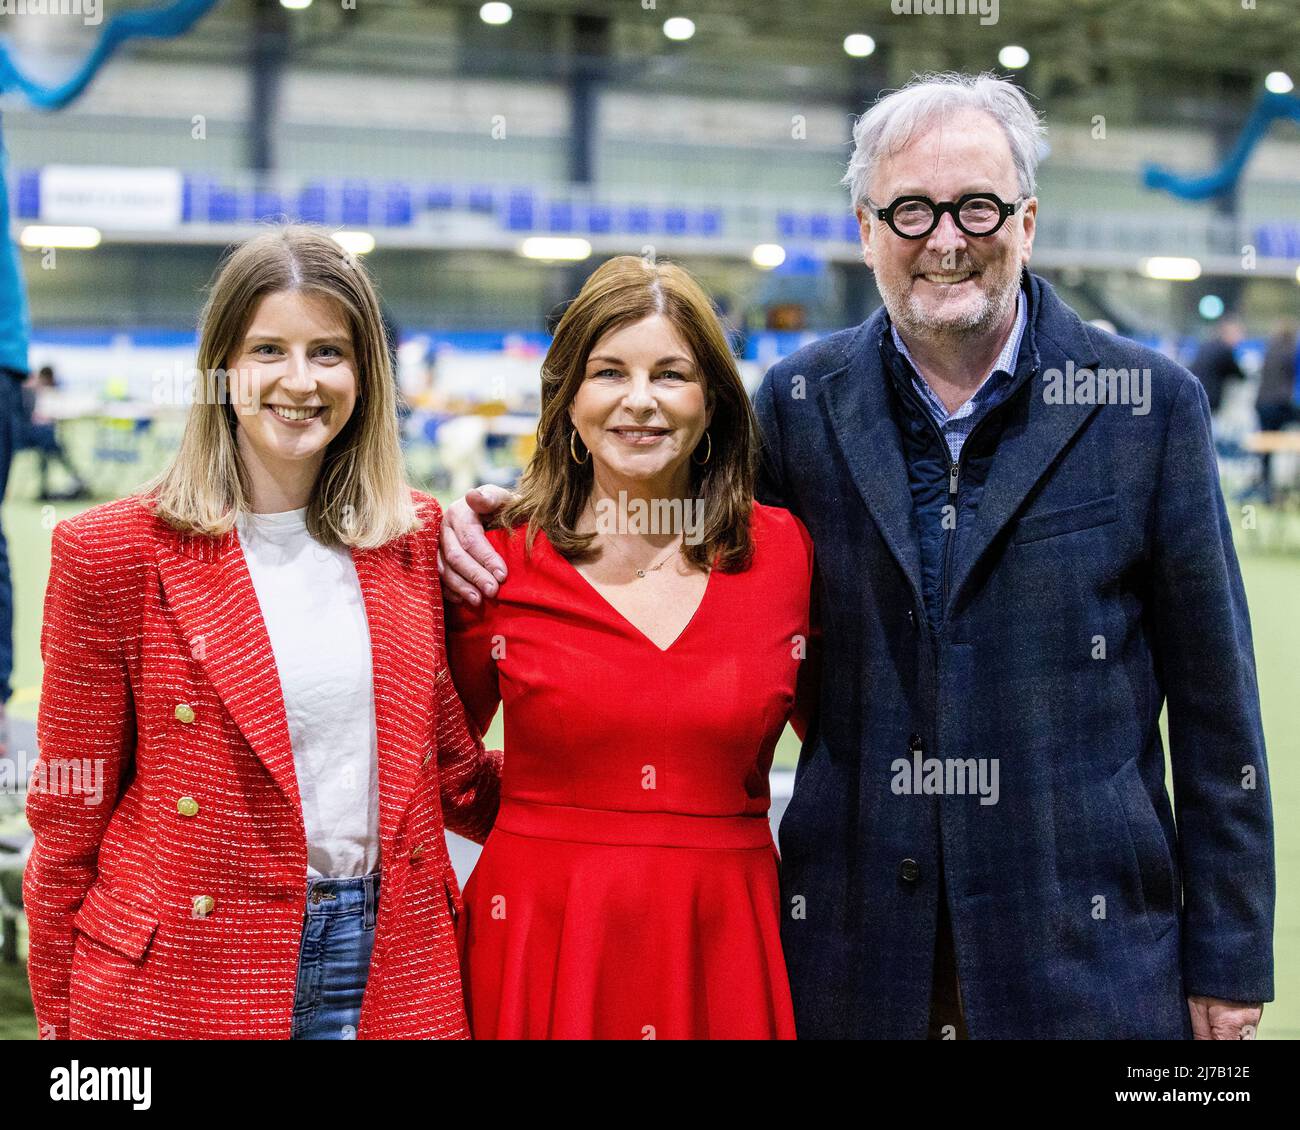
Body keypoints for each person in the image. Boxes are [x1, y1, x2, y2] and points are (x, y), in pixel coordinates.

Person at [441, 73, 1274, 1040]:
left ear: (1029, 221)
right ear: (867, 228)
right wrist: (507, 514)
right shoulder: (798, 404)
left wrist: (1229, 959)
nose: (946, 238)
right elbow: (672, 509)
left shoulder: (1148, 406)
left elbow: (1219, 715)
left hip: (1085, 958)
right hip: (859, 956)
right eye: (912, 209)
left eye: (978, 206)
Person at [23, 225, 502, 1039]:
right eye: (267, 350)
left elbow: (451, 775)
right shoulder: (112, 553)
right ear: (221, 372)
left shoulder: (414, 539)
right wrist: (67, 1039)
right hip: (183, 979)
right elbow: (67, 818)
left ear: (364, 376)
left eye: (328, 352)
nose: (300, 380)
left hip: (396, 968)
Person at [444, 254, 815, 1039]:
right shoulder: (497, 557)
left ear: (713, 399)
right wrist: (551, 819)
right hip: (539, 936)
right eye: (609, 372)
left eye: (671, 374)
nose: (639, 401)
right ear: (570, 397)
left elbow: (844, 748)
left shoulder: (785, 555)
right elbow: (431, 763)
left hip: (724, 942)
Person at [19, 365, 90, 501]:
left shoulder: (42, 391)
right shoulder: (29, 390)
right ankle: (75, 477)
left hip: (36, 434)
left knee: (48, 440)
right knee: (48, 440)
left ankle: (52, 484)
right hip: (24, 435)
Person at [1254, 320, 1298, 503]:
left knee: (1267, 452)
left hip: (1262, 403)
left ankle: (1266, 489)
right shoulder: (1290, 352)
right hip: (1280, 402)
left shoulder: (1269, 350)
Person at [1188, 315, 1245, 417]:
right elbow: (1239, 374)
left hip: (1195, 395)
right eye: (1238, 334)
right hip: (1208, 399)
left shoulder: (1207, 345)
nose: (1240, 338)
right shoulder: (1224, 349)